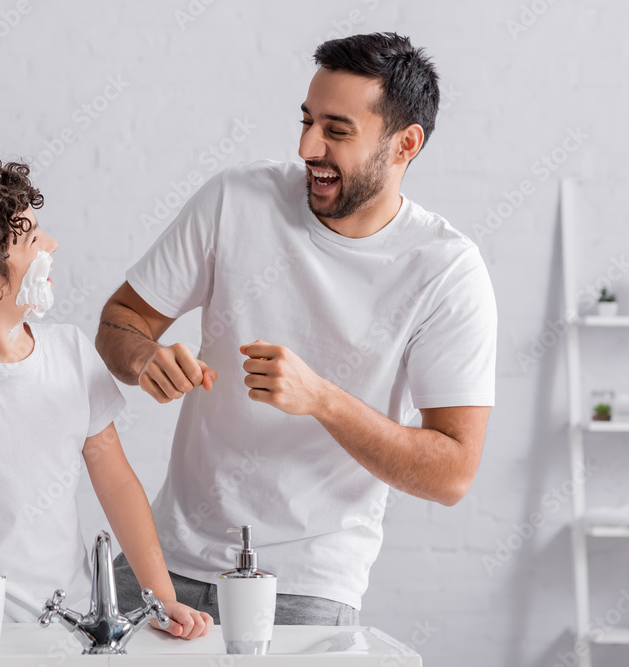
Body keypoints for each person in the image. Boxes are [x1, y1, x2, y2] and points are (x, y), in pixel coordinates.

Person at [97, 33, 497, 626]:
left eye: (337, 131)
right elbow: (119, 322)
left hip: (308, 590)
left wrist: (322, 400)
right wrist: (143, 358)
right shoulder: (236, 199)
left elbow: (452, 473)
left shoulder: (445, 271)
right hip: (162, 563)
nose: (308, 146)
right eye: (307, 121)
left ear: (404, 145)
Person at [0, 157, 211, 638]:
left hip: (66, 626)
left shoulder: (71, 352)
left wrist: (163, 598)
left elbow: (117, 487)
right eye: (31, 238)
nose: (50, 245)